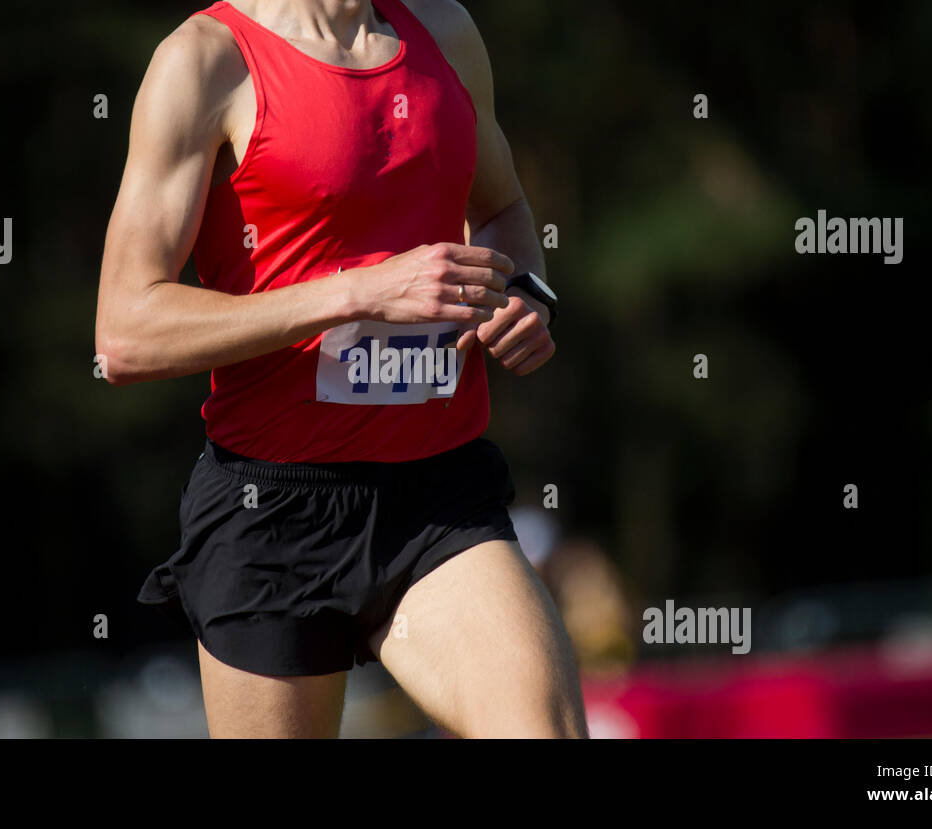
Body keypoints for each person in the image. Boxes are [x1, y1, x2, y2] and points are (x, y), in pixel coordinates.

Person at [95, 0, 585, 738]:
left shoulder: (443, 31)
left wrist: (521, 294)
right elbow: (125, 333)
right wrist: (358, 292)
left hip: (439, 495)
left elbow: (503, 207)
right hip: (271, 513)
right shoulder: (205, 62)